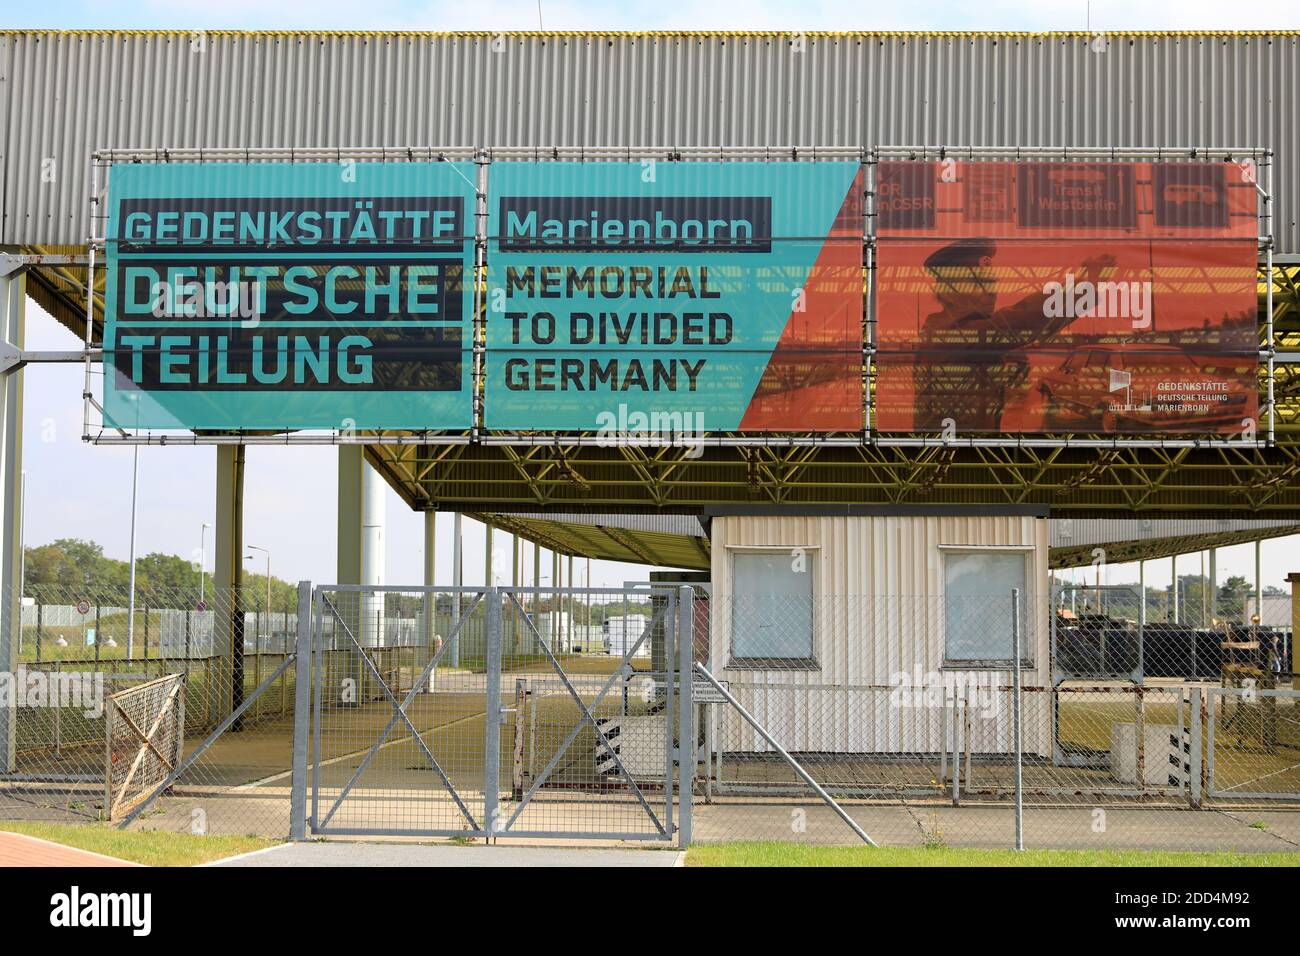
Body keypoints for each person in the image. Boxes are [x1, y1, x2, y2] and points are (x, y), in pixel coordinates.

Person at [911, 238, 1116, 431]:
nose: (991, 294)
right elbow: (1016, 322)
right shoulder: (949, 334)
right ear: (952, 288)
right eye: (980, 285)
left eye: (991, 286)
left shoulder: (952, 331)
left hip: (956, 445)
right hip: (949, 453)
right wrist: (1087, 286)